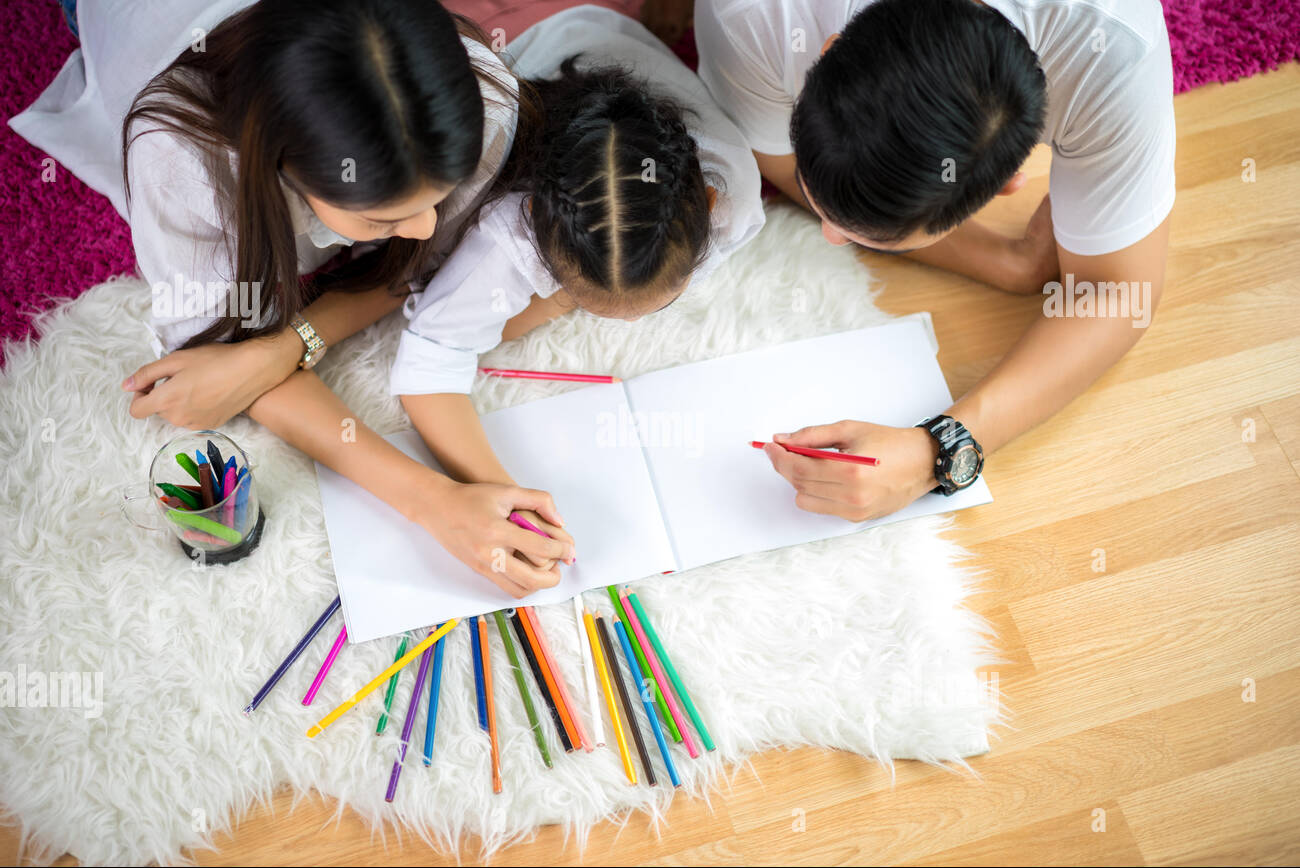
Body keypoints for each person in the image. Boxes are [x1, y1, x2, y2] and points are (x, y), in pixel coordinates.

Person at [11, 0, 575, 596]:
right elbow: (215, 366)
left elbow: (412, 275)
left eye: (437, 198)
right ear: (280, 167)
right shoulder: (183, 160)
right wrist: (432, 502)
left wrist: (284, 347)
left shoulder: (482, 93)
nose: (425, 230)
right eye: (386, 217)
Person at [695, 0, 1175, 521]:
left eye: (876, 238)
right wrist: (1006, 261)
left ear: (1010, 179)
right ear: (826, 54)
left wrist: (937, 450)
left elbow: (1120, 297)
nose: (829, 235)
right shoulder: (749, 14)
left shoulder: (1111, 48)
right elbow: (777, 161)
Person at [392, 6, 764, 505]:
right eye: (584, 302)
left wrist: (559, 301)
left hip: (597, 27)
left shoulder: (734, 189)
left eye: (654, 303)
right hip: (502, 35)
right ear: (533, 228)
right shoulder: (510, 224)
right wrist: (503, 495)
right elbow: (430, 358)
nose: (632, 325)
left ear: (711, 207)